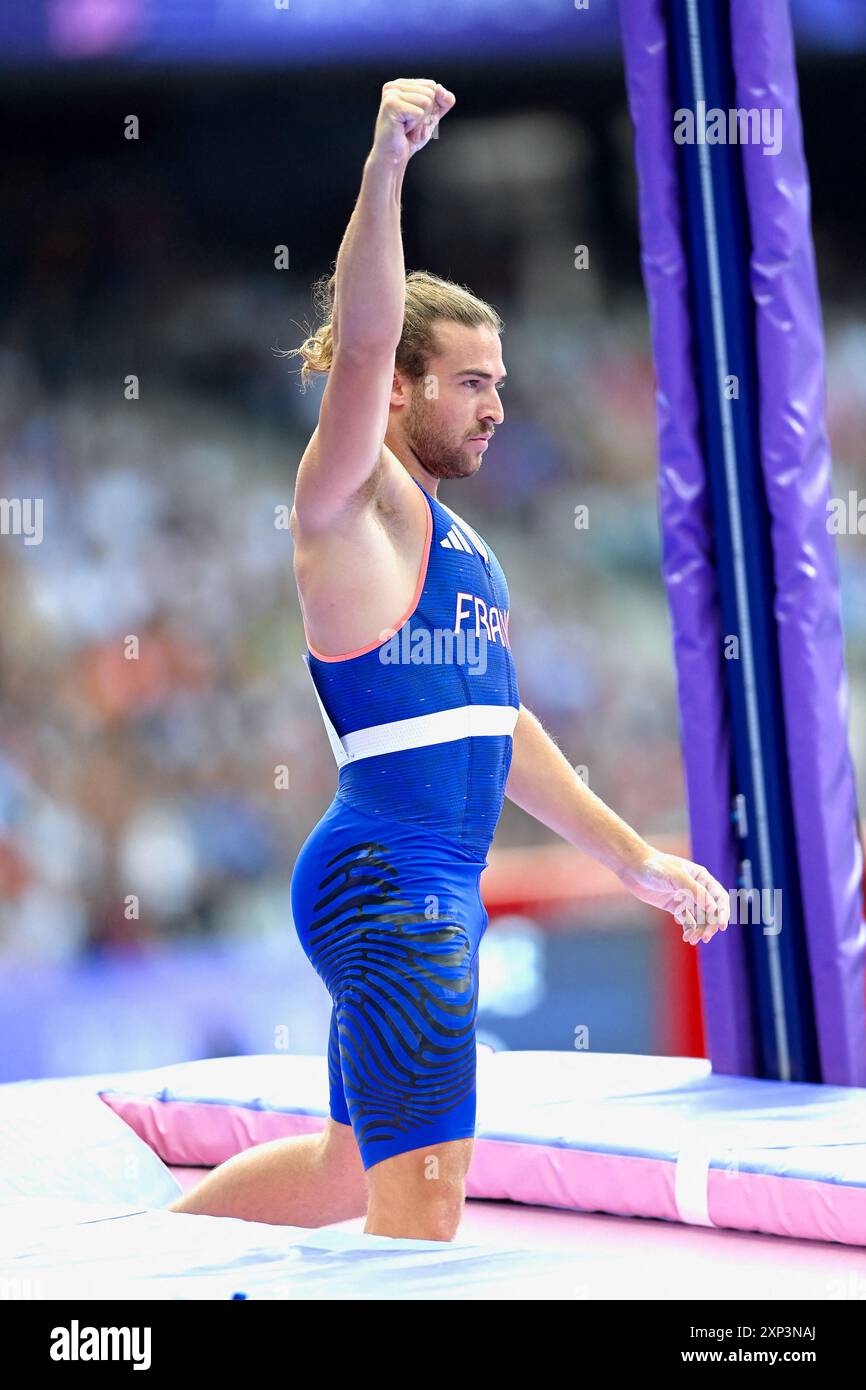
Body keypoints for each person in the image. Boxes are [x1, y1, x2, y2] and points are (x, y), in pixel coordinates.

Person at [170, 78, 730, 1242]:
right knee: (423, 1208)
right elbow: (366, 334)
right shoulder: (347, 501)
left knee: (343, 1173)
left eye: (501, 387)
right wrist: (387, 164)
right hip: (390, 883)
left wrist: (633, 859)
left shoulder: (465, 548)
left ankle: (128, 1267)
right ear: (405, 385)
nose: (495, 410)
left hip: (424, 886)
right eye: (471, 384)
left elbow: (502, 728)